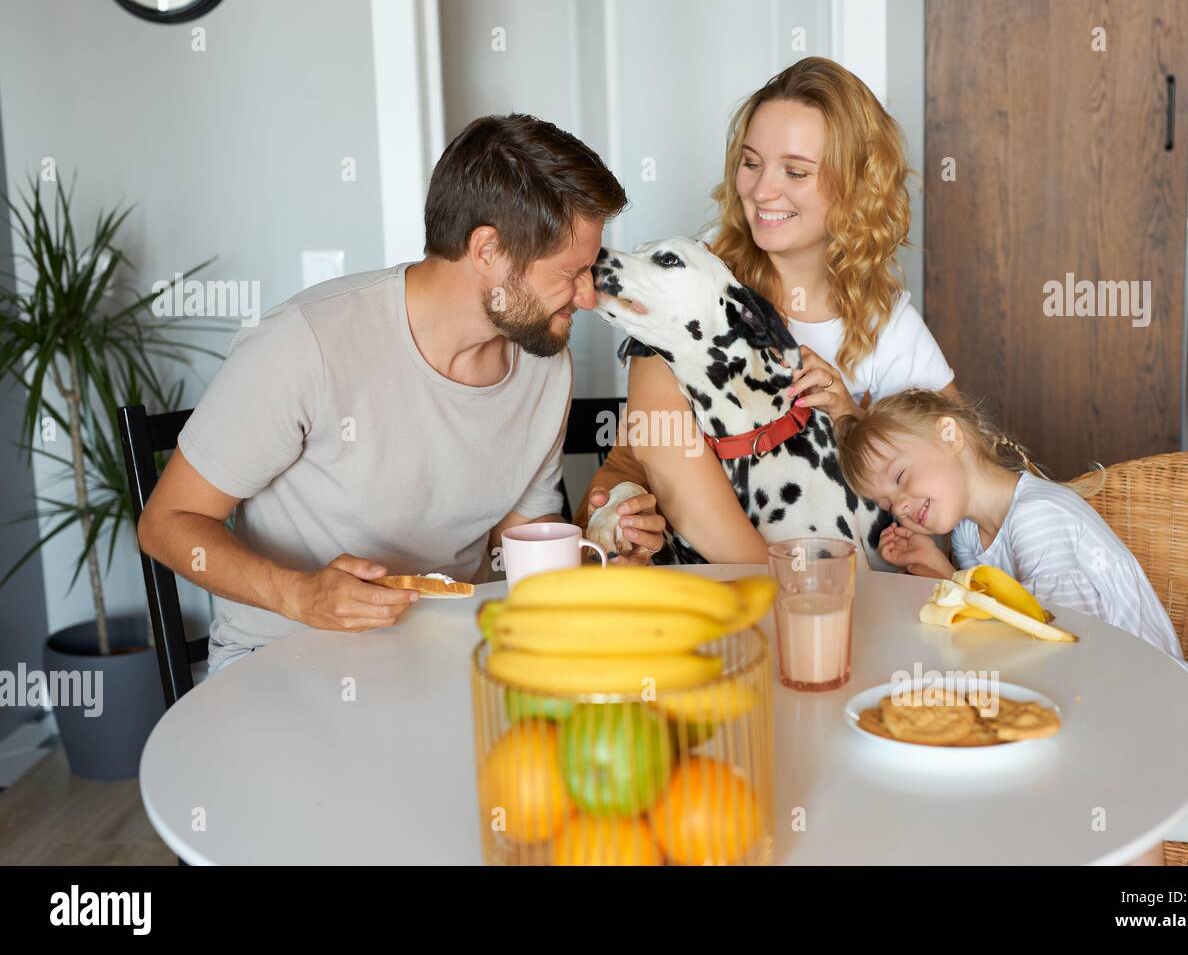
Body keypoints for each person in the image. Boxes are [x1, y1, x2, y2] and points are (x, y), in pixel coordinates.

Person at [137, 113, 665, 673]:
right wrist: (301, 595)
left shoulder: (544, 362)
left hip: (443, 649)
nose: (587, 297)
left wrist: (604, 554)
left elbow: (519, 548)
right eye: (570, 273)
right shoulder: (307, 342)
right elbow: (167, 521)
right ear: (488, 250)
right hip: (283, 656)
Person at [578, 56, 957, 562]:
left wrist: (853, 420)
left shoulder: (886, 324)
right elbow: (668, 469)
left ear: (857, 187)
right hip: (745, 598)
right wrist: (799, 599)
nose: (761, 191)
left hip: (848, 606)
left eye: (795, 171)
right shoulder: (689, 280)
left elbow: (961, 475)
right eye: (751, 162)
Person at [835, 388, 1188, 683]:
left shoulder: (1035, 517)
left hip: (1145, 691)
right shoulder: (967, 536)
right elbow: (1004, 620)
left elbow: (1066, 641)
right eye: (885, 502)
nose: (898, 507)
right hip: (1088, 682)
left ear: (949, 435)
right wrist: (933, 563)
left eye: (899, 478)